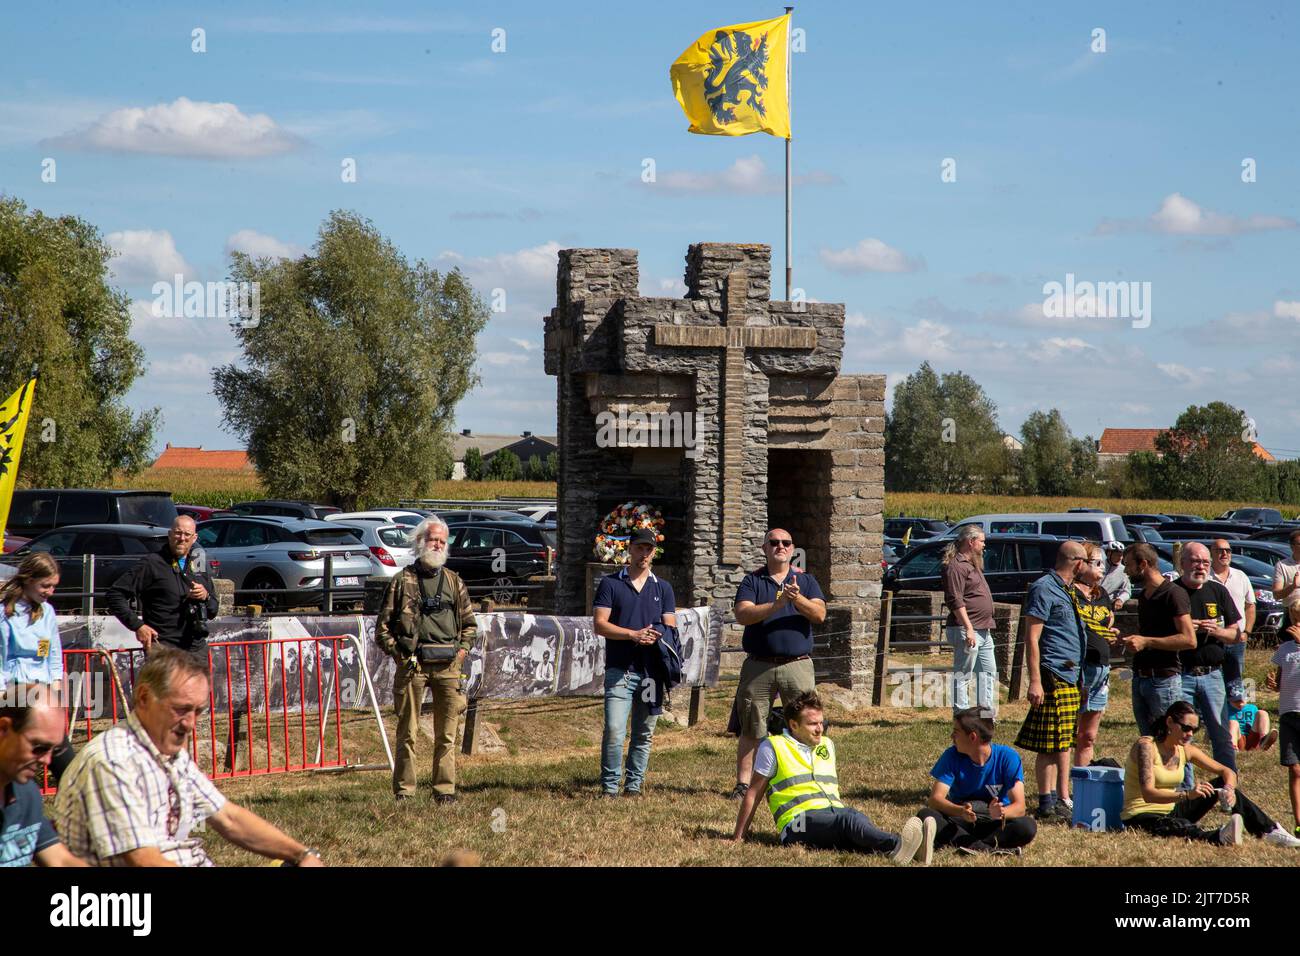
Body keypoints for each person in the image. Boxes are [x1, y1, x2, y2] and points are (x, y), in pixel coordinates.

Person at [52, 650, 326, 866]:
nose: (191, 723)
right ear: (144, 697)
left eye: (199, 711)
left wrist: (302, 855)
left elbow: (228, 818)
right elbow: (143, 860)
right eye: (181, 709)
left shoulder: (167, 752)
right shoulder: (113, 762)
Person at [732, 691, 935, 864]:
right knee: (847, 822)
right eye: (812, 724)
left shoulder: (827, 744)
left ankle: (909, 852)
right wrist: (738, 837)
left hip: (833, 813)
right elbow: (753, 793)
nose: (820, 728)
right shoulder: (774, 746)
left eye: (821, 722)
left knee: (855, 819)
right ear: (793, 725)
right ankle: (899, 845)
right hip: (796, 823)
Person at [375, 516, 476, 802]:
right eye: (434, 539)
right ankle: (405, 791)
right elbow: (382, 630)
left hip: (448, 668)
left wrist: (462, 651)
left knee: (448, 734)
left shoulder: (454, 582)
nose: (438, 545)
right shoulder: (401, 581)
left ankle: (444, 790)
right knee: (407, 732)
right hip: (413, 667)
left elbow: (470, 625)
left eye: (443, 541)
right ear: (421, 542)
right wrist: (400, 655)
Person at [1119, 701, 1300, 847]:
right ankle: (1219, 836)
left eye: (1195, 730)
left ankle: (1269, 830)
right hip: (1141, 814)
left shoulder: (1185, 749)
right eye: (1186, 728)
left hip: (1172, 809)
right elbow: (1148, 793)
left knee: (1221, 784)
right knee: (1175, 827)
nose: (1190, 734)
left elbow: (1226, 771)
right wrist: (1187, 795)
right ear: (1169, 722)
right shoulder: (1146, 746)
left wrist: (1228, 789)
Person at [730, 528, 826, 800]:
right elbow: (743, 614)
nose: (780, 546)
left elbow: (819, 614)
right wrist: (776, 604)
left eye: (785, 543)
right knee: (752, 726)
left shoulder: (805, 580)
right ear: (765, 548)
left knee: (805, 723)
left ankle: (805, 778)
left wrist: (796, 600)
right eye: (774, 542)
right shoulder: (753, 581)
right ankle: (743, 785)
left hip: (797, 664)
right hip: (759, 665)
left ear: (792, 548)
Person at [592, 527, 676, 797]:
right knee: (615, 730)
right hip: (620, 669)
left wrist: (655, 635)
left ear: (654, 553)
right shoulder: (610, 584)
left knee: (644, 733)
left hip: (652, 671)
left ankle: (634, 785)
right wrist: (632, 634)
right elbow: (600, 625)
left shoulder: (663, 588)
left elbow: (670, 627)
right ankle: (609, 788)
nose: (644, 553)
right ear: (629, 549)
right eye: (639, 547)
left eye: (648, 549)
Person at [1015, 540, 1088, 822]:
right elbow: (1031, 638)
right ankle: (1047, 802)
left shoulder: (1068, 590)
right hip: (1052, 672)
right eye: (1086, 561)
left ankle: (1061, 797)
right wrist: (1035, 681)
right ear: (1076, 562)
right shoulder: (1044, 588)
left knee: (1063, 741)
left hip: (1070, 673)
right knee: (1051, 742)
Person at [916, 707, 1037, 855]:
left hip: (994, 823)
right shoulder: (951, 756)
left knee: (1027, 826)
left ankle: (968, 845)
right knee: (926, 815)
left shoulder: (1008, 757)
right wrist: (960, 811)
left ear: (972, 737)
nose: (951, 736)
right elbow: (935, 800)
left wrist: (1001, 813)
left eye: (956, 731)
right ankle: (987, 849)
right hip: (962, 820)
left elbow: (1020, 807)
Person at [0, 553, 75, 781]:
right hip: (15, 695)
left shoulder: (48, 612)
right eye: (45, 586)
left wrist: (57, 687)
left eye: (53, 586)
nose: (50, 592)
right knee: (22, 761)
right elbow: (1, 657)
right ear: (29, 579)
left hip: (42, 693)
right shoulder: (5, 613)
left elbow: (53, 653)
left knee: (66, 763)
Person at [0, 685, 86, 866]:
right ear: (3, 729)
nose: (47, 761)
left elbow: (60, 860)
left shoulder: (26, 792)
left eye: (53, 750)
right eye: (39, 747)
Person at [107, 515, 217, 656]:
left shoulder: (199, 566)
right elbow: (115, 595)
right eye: (178, 533)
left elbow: (213, 610)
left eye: (187, 534)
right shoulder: (151, 563)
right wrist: (137, 626)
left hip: (196, 651)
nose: (182, 538)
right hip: (163, 650)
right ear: (170, 535)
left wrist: (206, 596)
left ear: (194, 538)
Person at [1172, 542, 1240, 773]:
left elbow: (1235, 634)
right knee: (1182, 735)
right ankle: (1184, 787)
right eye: (1195, 561)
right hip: (1181, 674)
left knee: (1221, 732)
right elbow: (1159, 631)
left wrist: (1215, 631)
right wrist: (1187, 628)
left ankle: (1229, 784)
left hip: (1212, 674)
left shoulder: (1217, 590)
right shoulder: (1172, 591)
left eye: (1205, 562)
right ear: (1182, 563)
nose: (1200, 567)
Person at [1117, 543, 1195, 736]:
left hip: (1164, 680)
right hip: (1140, 677)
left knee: (1172, 741)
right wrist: (1125, 639)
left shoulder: (1173, 594)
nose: (1126, 571)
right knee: (1148, 742)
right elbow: (1149, 634)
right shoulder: (1144, 595)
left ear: (1143, 564)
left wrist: (1146, 642)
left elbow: (1189, 639)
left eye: (1128, 565)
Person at [941, 525, 997, 717]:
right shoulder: (955, 566)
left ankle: (986, 715)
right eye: (981, 541)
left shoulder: (972, 563)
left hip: (984, 629)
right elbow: (955, 600)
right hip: (967, 629)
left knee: (988, 673)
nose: (984, 545)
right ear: (970, 542)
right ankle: (961, 716)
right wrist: (968, 628)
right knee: (963, 674)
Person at [1071, 542, 1118, 767]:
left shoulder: (1101, 594)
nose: (1102, 567)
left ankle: (1082, 781)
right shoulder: (1070, 593)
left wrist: (1110, 631)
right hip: (1079, 668)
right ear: (1081, 564)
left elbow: (1108, 618)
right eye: (1097, 562)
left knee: (1088, 736)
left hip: (1101, 669)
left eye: (1103, 563)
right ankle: (1061, 789)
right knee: (1071, 732)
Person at [1268, 600, 1300, 836]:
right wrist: (1274, 684)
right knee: (1295, 770)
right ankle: (1299, 822)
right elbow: (1281, 682)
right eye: (1293, 618)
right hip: (1288, 713)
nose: (1296, 623)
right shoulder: (1285, 649)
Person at [1210, 539, 1254, 701]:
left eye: (1228, 550)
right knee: (1212, 679)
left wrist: (1247, 632)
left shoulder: (1240, 576)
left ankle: (1233, 713)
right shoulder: (1205, 577)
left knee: (1235, 680)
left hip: (1237, 639)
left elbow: (1250, 606)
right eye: (1220, 550)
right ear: (1211, 553)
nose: (1225, 554)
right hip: (1212, 638)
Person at [1100, 541, 1132, 611]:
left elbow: (1127, 591)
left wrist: (1121, 599)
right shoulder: (1099, 565)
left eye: (1121, 555)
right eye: (1117, 555)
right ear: (1109, 554)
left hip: (1107, 605)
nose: (1120, 558)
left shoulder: (1123, 571)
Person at [1271, 528, 1300, 604]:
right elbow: (1276, 595)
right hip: (1292, 612)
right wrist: (1293, 586)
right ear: (1292, 546)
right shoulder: (1282, 565)